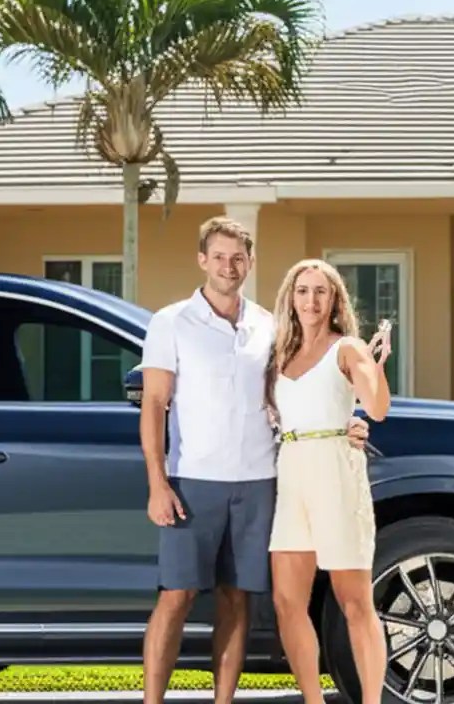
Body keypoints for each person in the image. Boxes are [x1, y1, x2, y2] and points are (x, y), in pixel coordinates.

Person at [136, 218, 369, 704]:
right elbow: (154, 405)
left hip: (261, 482)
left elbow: (301, 390)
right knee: (175, 598)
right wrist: (158, 483)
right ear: (202, 260)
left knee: (236, 599)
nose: (228, 266)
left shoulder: (269, 325)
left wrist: (348, 421)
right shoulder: (171, 322)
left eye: (238, 257)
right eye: (219, 257)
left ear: (250, 262)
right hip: (192, 482)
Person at [265, 259, 392, 704]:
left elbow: (375, 409)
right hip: (292, 468)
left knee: (354, 601)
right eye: (303, 290)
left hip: (335, 469)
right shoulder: (279, 351)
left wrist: (376, 369)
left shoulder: (349, 348)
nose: (311, 300)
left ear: (334, 299)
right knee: (286, 601)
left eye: (321, 291)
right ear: (291, 297)